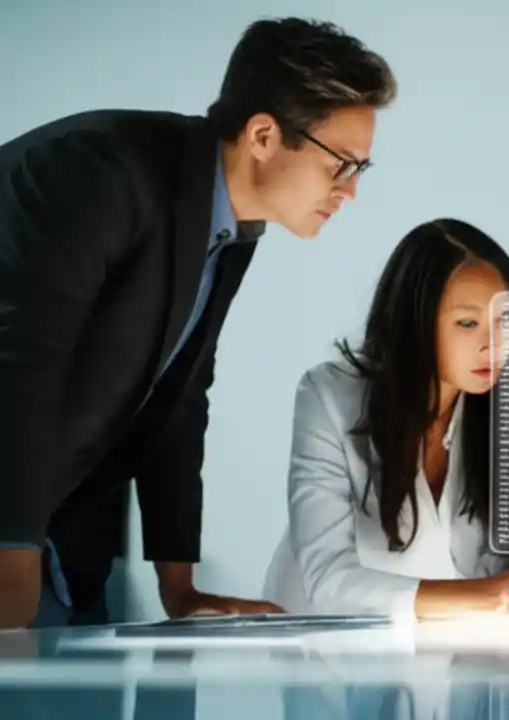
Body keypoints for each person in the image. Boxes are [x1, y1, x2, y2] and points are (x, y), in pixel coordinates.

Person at [0, 17, 397, 629]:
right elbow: (23, 367)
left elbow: (181, 392)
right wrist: (12, 555)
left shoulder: (232, 225)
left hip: (58, 528)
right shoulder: (98, 172)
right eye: (342, 164)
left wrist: (179, 584)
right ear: (263, 135)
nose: (348, 192)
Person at [263, 219, 509, 622]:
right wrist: (497, 593)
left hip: (429, 646)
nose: (494, 344)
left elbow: (503, 569)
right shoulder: (329, 396)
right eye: (468, 323)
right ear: (416, 321)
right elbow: (328, 582)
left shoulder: (508, 413)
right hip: (315, 645)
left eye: (505, 321)